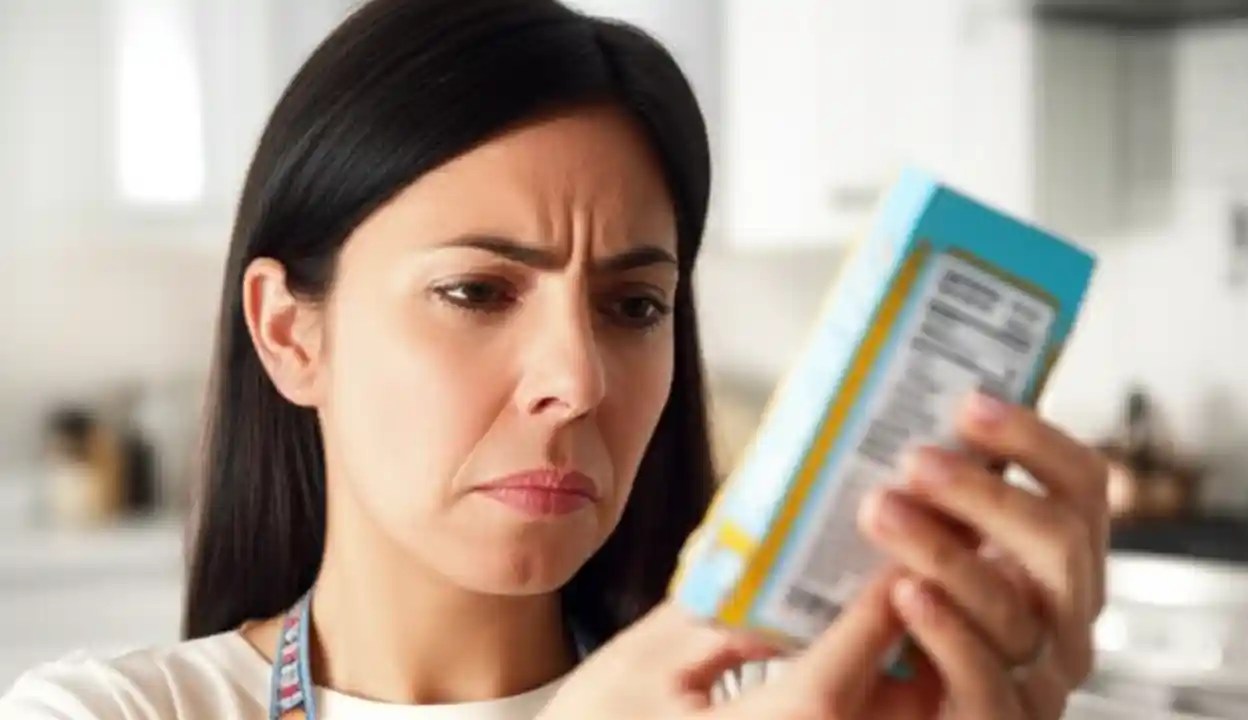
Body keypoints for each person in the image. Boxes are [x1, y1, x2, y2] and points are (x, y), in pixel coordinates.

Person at [0, 0, 1109, 718]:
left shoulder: (798, 702)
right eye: (475, 292)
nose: (577, 381)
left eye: (633, 304)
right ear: (292, 332)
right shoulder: (103, 714)